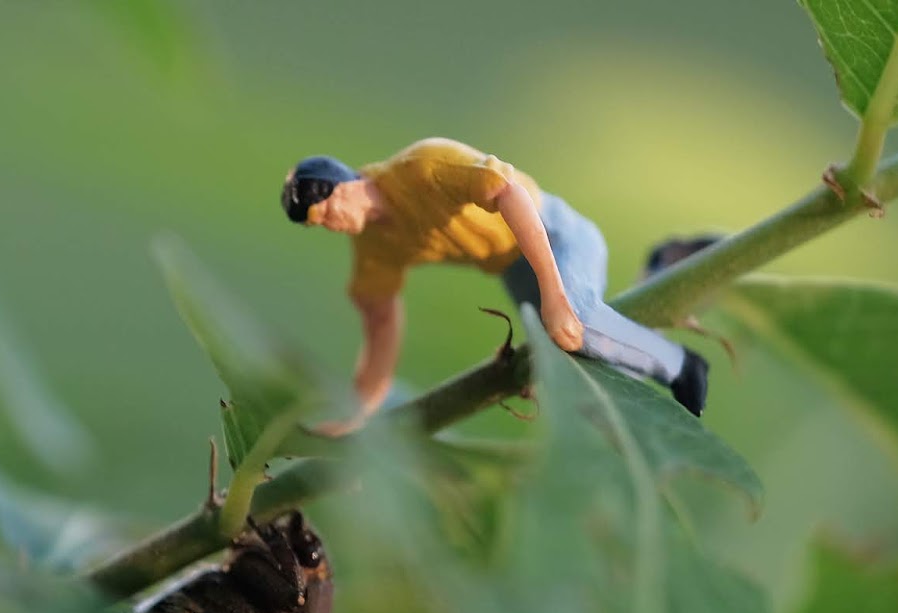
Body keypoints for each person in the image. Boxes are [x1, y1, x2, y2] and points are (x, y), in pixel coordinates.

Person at [280, 138, 709, 433]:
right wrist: (359, 413)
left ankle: (682, 365)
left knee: (575, 321)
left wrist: (555, 295)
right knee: (584, 367)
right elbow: (379, 321)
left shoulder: (422, 167)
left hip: (552, 231)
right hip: (510, 266)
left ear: (348, 185)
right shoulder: (374, 245)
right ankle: (660, 274)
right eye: (321, 225)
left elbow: (509, 194)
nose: (333, 225)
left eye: (329, 210)